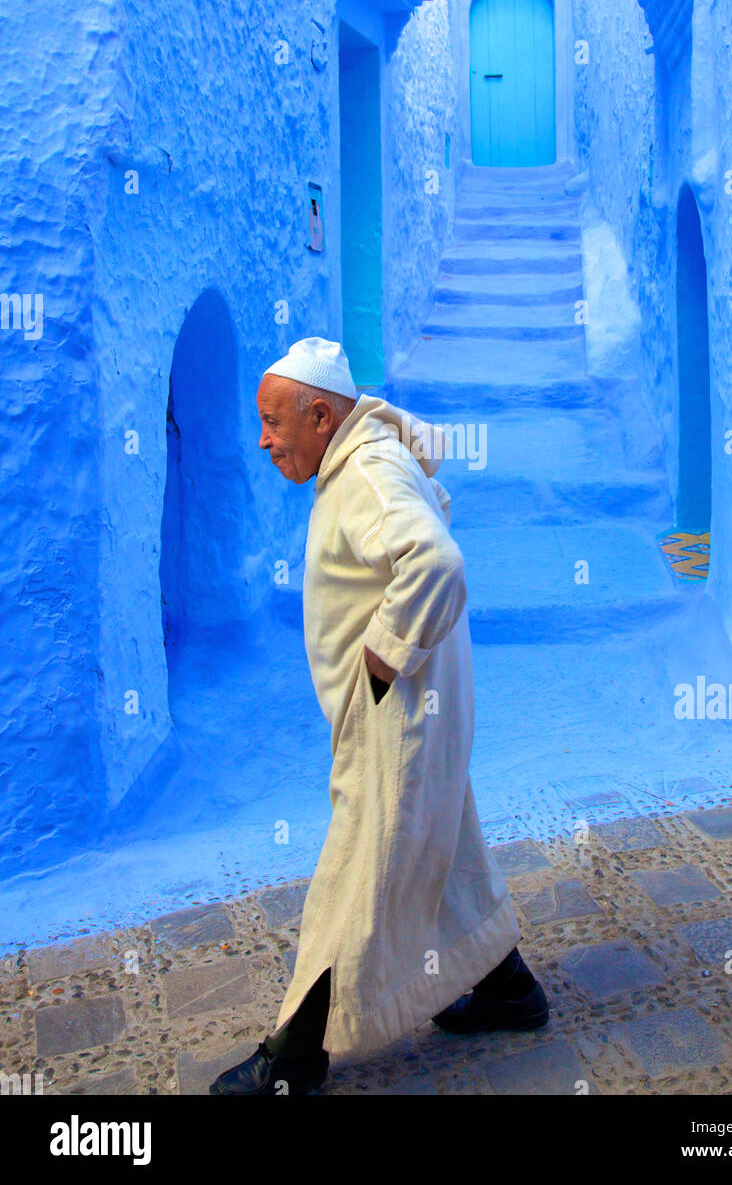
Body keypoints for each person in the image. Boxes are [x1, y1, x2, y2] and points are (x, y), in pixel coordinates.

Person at [210, 336, 547, 1096]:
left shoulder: (361, 471)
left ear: (320, 415)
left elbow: (435, 562)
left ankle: (294, 1058)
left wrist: (381, 659)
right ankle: (506, 987)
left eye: (273, 421)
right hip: (422, 708)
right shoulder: (368, 457)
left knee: (355, 871)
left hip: (397, 714)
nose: (263, 439)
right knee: (443, 839)